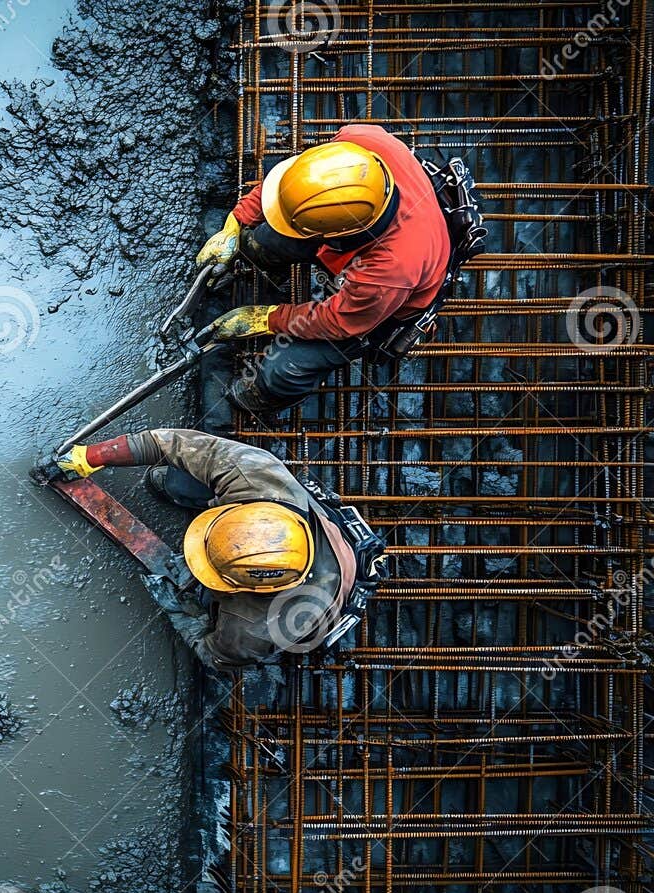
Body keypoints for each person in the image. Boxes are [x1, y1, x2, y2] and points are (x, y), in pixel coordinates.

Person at [36, 429, 377, 669]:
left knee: (202, 604)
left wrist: (185, 614)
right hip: (333, 538)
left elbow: (216, 657)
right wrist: (91, 457)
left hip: (331, 594)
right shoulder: (258, 478)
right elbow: (171, 443)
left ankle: (204, 599)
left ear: (245, 589)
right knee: (181, 475)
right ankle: (180, 495)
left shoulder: (254, 626)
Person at [195, 124, 451, 412]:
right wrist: (236, 222)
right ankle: (265, 259)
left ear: (338, 235)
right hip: (364, 252)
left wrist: (266, 318)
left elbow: (339, 321)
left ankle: (259, 397)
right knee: (266, 239)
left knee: (283, 371)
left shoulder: (392, 269)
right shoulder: (360, 141)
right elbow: (294, 180)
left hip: (381, 307)